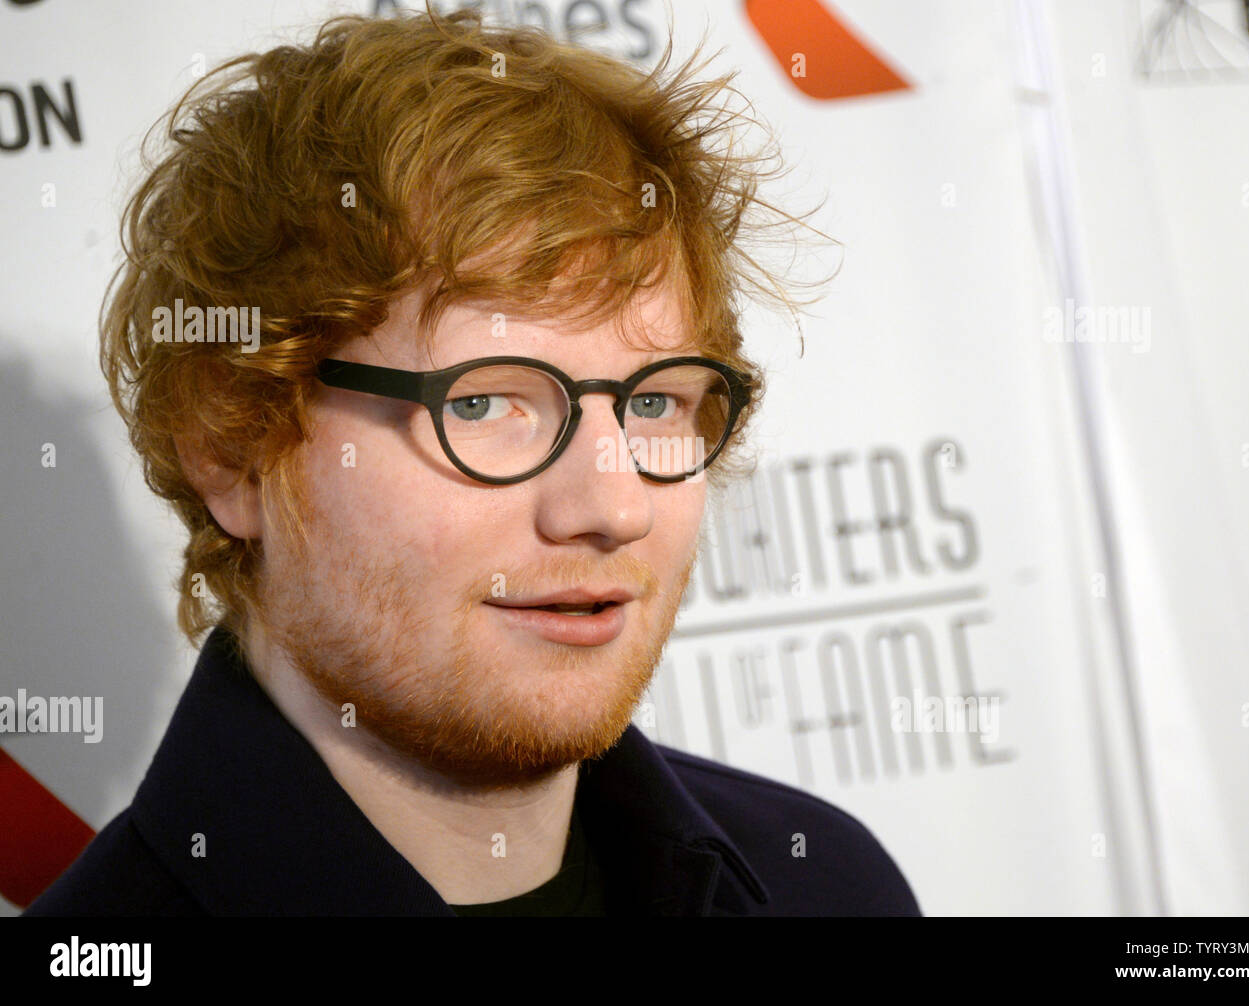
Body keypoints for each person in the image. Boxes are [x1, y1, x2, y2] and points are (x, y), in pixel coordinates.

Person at [26, 6, 920, 916]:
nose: (614, 508)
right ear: (232, 450)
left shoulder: (826, 881)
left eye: (653, 401)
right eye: (485, 403)